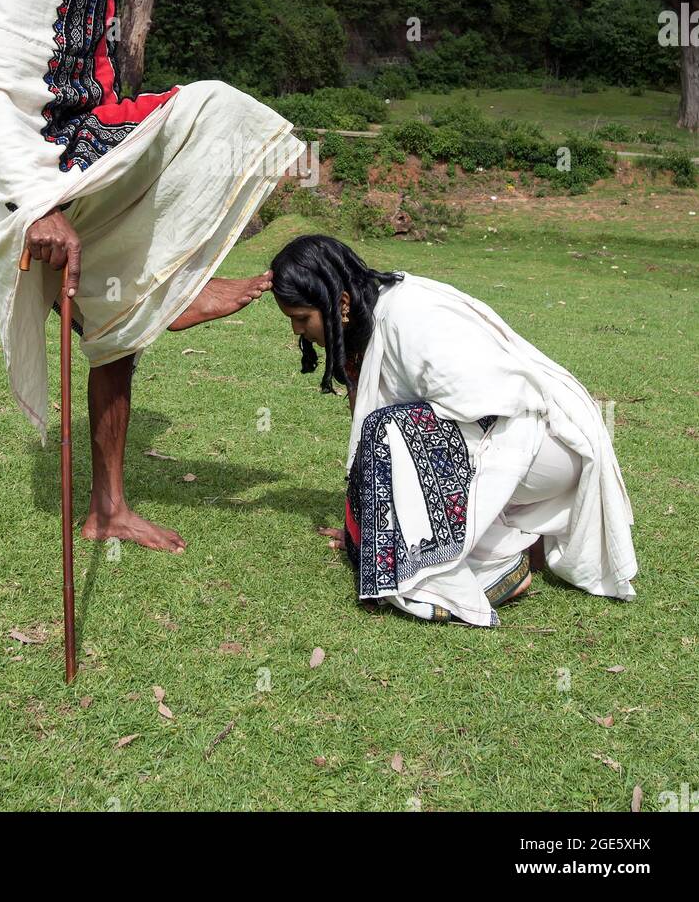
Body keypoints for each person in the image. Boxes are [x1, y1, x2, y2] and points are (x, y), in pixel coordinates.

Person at [0, 0, 303, 553]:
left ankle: (110, 506)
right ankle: (169, 288)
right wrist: (36, 207)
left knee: (118, 331)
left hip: (82, 135)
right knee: (215, 108)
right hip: (48, 166)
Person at [270, 234, 637, 626]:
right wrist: (367, 529)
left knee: (391, 432)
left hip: (542, 446)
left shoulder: (410, 316)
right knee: (389, 436)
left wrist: (394, 506)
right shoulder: (367, 321)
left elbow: (494, 400)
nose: (297, 332)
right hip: (507, 445)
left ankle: (489, 572)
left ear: (340, 304)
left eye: (301, 318)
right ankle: (504, 553)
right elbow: (369, 448)